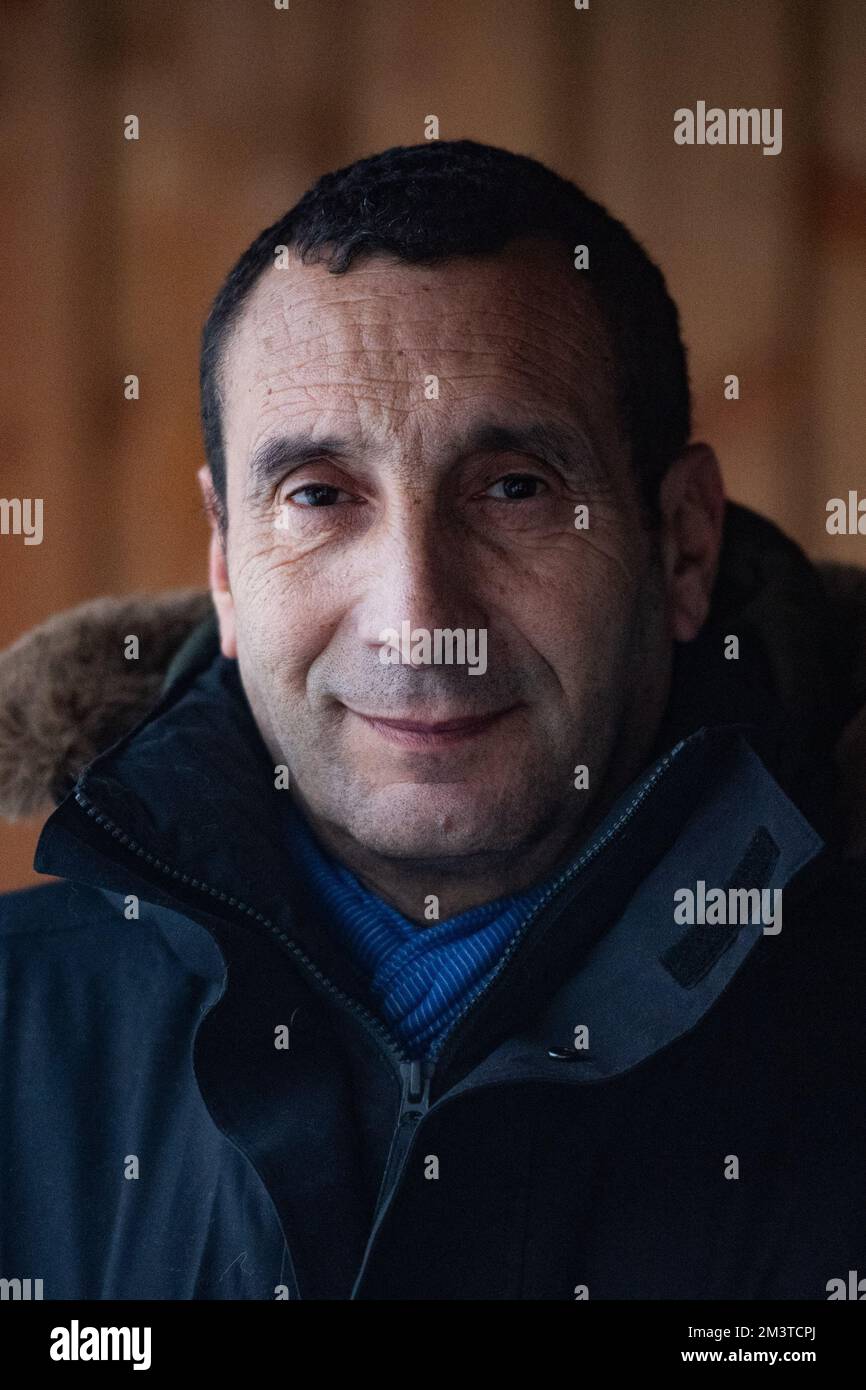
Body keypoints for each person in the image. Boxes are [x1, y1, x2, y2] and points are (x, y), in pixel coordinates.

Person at [1, 139, 864, 1301]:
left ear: (681, 546)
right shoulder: (20, 1030)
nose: (416, 619)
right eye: (318, 495)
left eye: (512, 486)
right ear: (223, 562)